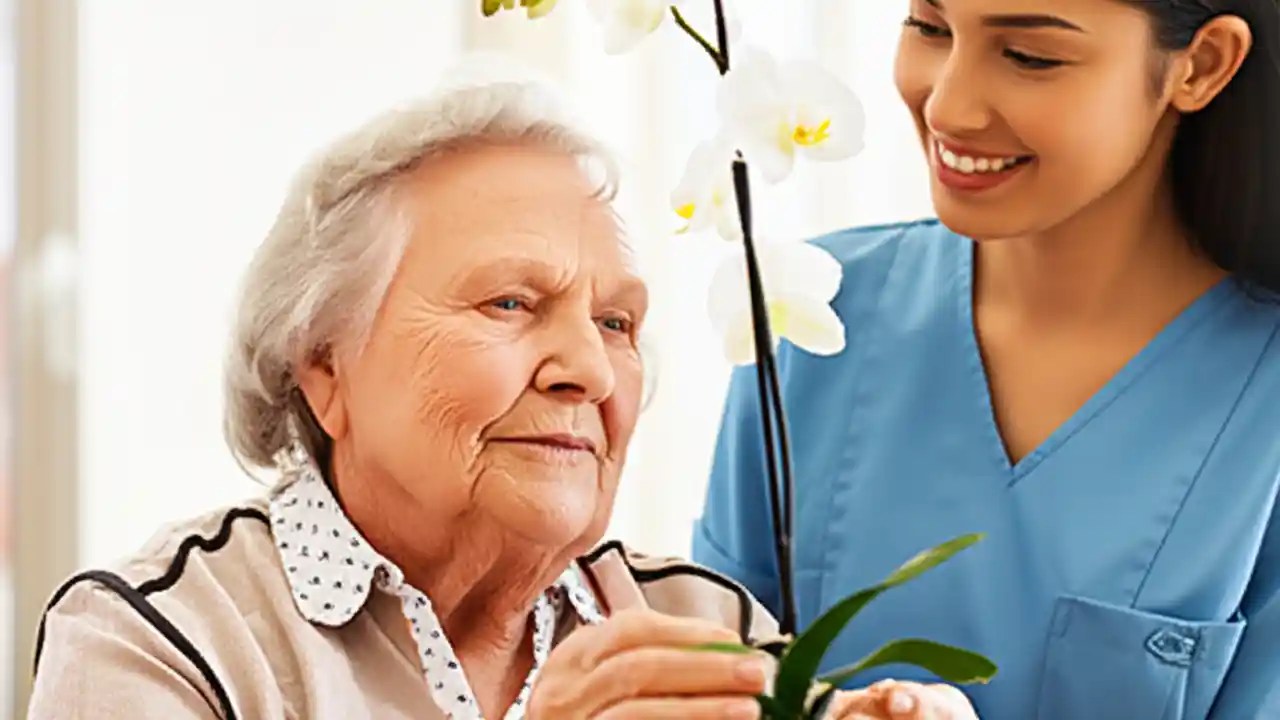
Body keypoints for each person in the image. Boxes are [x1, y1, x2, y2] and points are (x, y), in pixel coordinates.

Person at [27, 69, 801, 720]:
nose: (591, 370)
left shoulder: (708, 628)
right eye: (510, 302)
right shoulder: (159, 640)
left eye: (615, 322)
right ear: (325, 365)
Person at [695, 1, 1280, 718]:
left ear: (1203, 64)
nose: (948, 105)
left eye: (1030, 56)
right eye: (930, 28)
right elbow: (708, 684)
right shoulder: (809, 315)